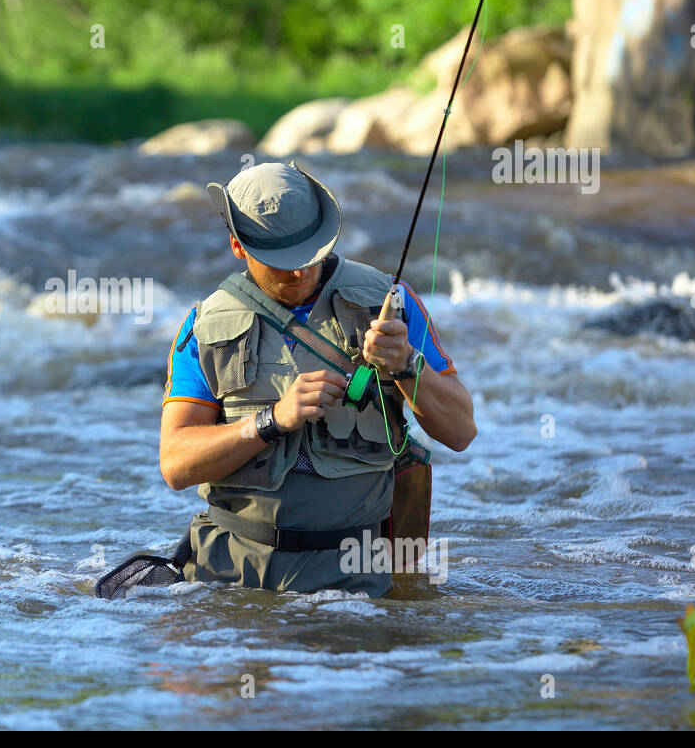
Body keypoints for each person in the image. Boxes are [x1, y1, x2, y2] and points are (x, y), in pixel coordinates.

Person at [160, 161, 476, 596]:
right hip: (230, 579)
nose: (300, 272)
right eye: (282, 262)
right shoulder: (205, 324)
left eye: (310, 255)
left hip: (354, 583)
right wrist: (270, 421)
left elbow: (461, 431)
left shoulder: (392, 303)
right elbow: (176, 464)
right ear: (237, 245)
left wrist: (406, 365)